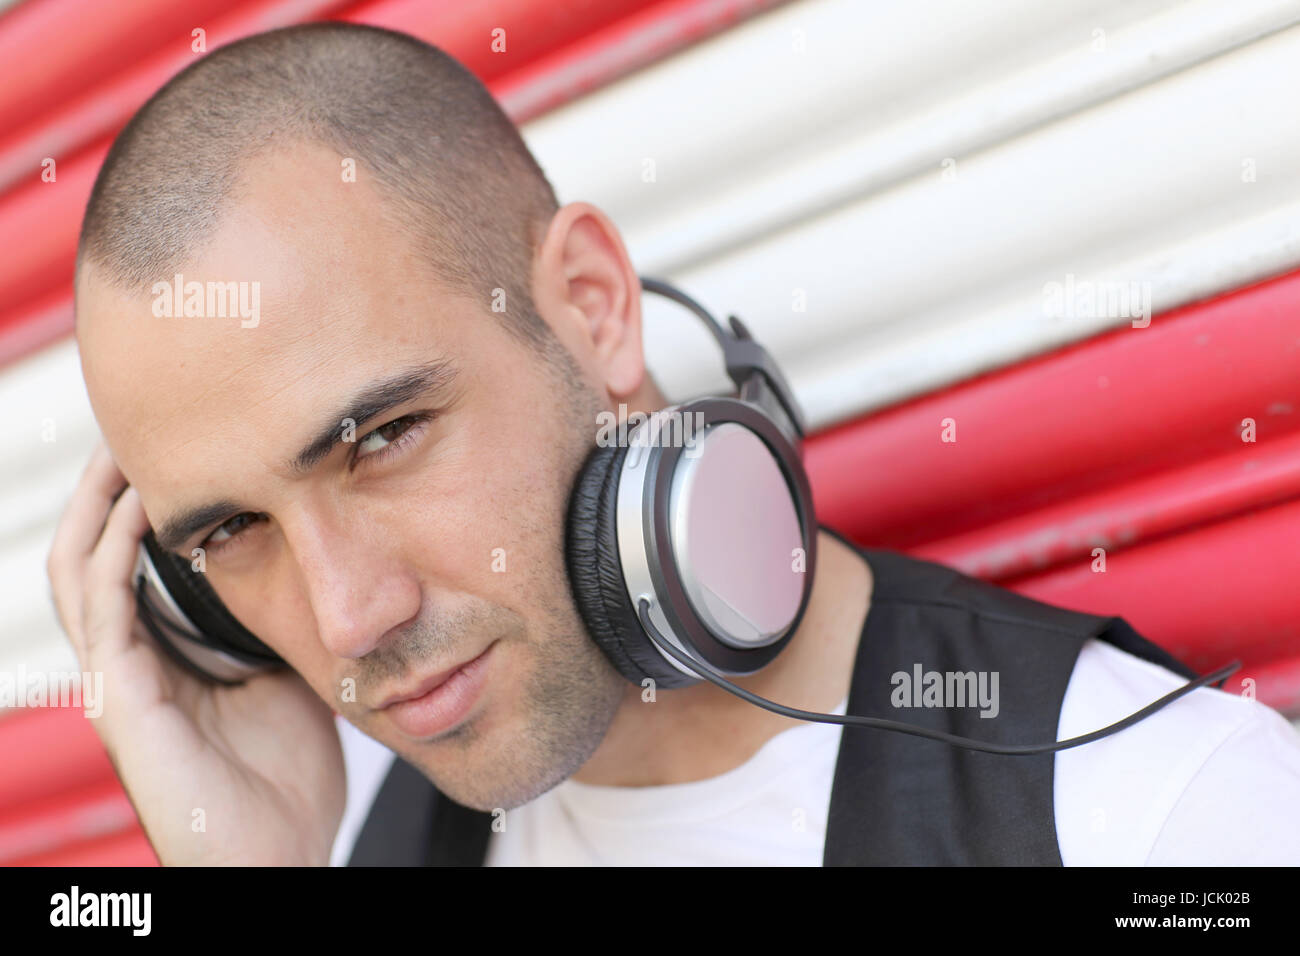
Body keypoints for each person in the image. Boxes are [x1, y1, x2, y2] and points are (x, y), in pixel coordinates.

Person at [47, 22, 1300, 866]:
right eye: (229, 530)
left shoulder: (1162, 815)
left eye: (382, 436)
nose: (349, 620)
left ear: (589, 308)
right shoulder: (335, 823)